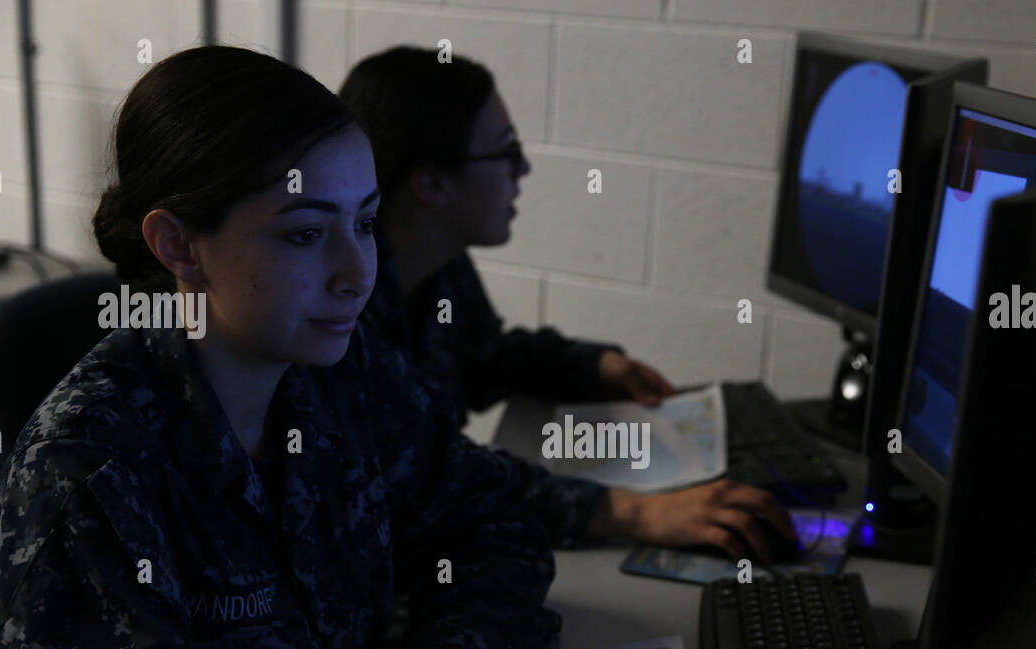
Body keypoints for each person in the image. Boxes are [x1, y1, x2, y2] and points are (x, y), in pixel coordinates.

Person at [0, 46, 730, 649]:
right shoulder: (89, 467)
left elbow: (496, 521)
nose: (357, 272)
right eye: (307, 233)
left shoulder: (340, 373)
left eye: (364, 220)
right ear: (179, 244)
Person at [339, 47, 797, 563]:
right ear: (432, 185)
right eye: (505, 150)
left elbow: (483, 360)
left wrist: (596, 365)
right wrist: (635, 513)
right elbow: (431, 479)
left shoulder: (434, 259)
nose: (525, 167)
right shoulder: (338, 315)